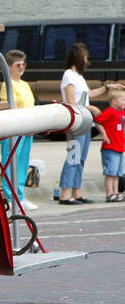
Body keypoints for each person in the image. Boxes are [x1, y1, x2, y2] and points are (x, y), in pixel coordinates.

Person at [56, 42, 122, 205]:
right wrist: (91, 108)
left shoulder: (78, 77)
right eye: (85, 57)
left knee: (81, 158)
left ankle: (76, 191)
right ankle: (65, 192)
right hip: (75, 123)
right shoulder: (68, 75)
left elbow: (89, 93)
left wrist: (107, 87)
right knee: (74, 156)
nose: (87, 61)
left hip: (84, 122)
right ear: (78, 58)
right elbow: (72, 102)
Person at [0, 49, 37, 210]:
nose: (21, 67)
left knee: (22, 163)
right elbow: (11, 108)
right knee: (11, 163)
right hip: (14, 130)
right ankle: (11, 196)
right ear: (9, 67)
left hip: (27, 130)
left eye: (23, 64)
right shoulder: (7, 84)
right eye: (17, 65)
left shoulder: (25, 84)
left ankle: (20, 195)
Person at [95, 92, 125, 202]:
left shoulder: (121, 112)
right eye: (122, 100)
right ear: (113, 101)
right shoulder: (109, 112)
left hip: (120, 147)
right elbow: (98, 121)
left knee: (117, 173)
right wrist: (104, 134)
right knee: (110, 172)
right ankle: (109, 193)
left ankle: (115, 192)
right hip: (110, 147)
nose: (124, 102)